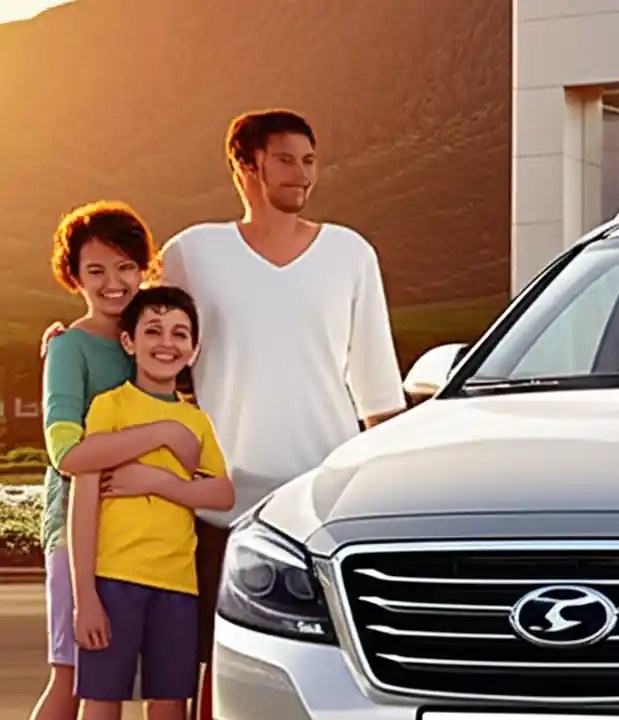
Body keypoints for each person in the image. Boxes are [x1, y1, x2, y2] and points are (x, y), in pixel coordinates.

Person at [159, 109, 408, 720]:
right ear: (245, 165)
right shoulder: (192, 252)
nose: (303, 174)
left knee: (328, 675)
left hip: (321, 502)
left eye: (310, 160)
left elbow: (377, 387)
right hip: (216, 503)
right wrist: (71, 342)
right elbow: (143, 341)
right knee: (209, 670)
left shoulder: (350, 253)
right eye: (286, 160)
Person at [30, 201, 200, 720]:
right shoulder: (68, 348)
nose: (113, 282)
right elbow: (65, 452)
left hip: (145, 538)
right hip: (78, 529)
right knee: (73, 676)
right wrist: (159, 434)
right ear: (73, 276)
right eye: (95, 271)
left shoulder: (150, 335)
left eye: (126, 266)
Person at [69, 285, 235, 720]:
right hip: (112, 580)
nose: (167, 343)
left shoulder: (196, 421)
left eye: (180, 334)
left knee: (170, 701)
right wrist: (85, 596)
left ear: (194, 350)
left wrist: (159, 482)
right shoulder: (109, 407)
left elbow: (221, 493)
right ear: (129, 341)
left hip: (178, 586)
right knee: (103, 698)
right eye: (153, 331)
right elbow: (83, 504)